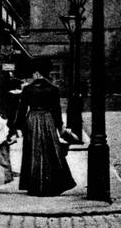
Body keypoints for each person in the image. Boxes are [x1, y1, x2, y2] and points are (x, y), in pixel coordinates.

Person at [12, 59, 77, 196]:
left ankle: (33, 185)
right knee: (51, 151)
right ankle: (52, 184)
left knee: (32, 151)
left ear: (36, 72)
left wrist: (17, 126)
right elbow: (57, 110)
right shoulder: (53, 89)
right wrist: (60, 127)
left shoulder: (27, 89)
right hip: (48, 119)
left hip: (32, 119)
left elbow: (22, 110)